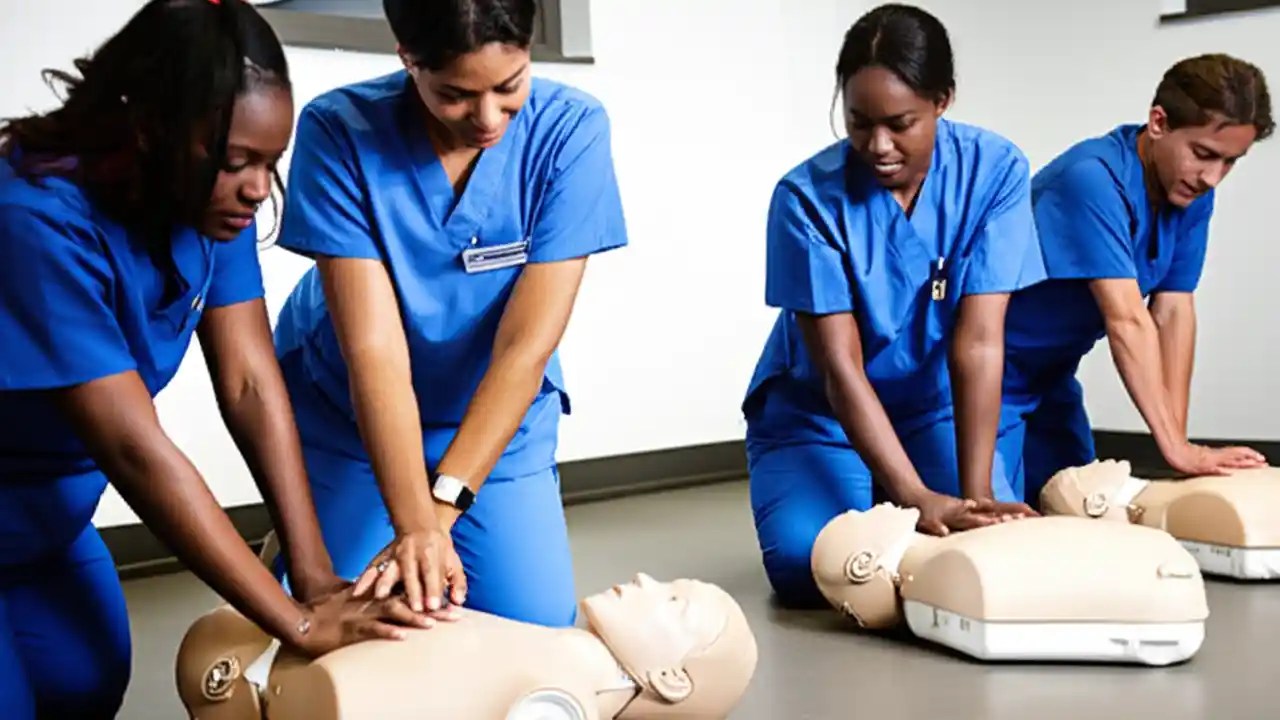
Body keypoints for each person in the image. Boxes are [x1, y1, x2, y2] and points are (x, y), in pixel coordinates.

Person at [0, 2, 430, 717]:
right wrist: (295, 623)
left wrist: (314, 576)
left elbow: (252, 384)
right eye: (238, 163)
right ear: (150, 130)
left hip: (49, 512)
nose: (259, 189)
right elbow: (135, 449)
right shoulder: (34, 221)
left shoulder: (206, 199)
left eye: (270, 163)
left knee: (87, 683)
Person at [271, 0, 627, 628]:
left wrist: (433, 522)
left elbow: (525, 349)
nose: (488, 118)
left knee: (535, 627)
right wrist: (413, 528)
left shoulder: (570, 131)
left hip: (495, 412)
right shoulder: (339, 132)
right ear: (408, 60)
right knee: (333, 616)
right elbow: (374, 356)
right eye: (456, 94)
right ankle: (300, 531)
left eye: (510, 86)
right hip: (350, 415)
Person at [740, 3, 1045, 608]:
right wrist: (913, 494)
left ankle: (908, 495)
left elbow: (981, 340)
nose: (877, 145)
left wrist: (973, 493)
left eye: (900, 123)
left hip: (930, 407)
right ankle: (880, 486)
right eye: (858, 123)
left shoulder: (994, 171)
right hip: (817, 416)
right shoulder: (805, 199)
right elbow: (839, 368)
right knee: (812, 567)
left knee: (990, 537)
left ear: (943, 100)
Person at [1001, 54, 1274, 504]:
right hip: (978, 378)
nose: (1213, 177)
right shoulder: (1092, 178)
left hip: (1049, 381)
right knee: (992, 526)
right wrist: (1176, 447)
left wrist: (1179, 446)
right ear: (1159, 122)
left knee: (1087, 510)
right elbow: (1126, 318)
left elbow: (1173, 310)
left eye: (1230, 162)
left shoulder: (1190, 193)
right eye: (1204, 154)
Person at [175, 573, 758, 720]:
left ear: (672, 680)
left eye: (674, 603)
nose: (646, 581)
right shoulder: (557, 651)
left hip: (254, 676)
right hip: (248, 656)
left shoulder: (570, 691)